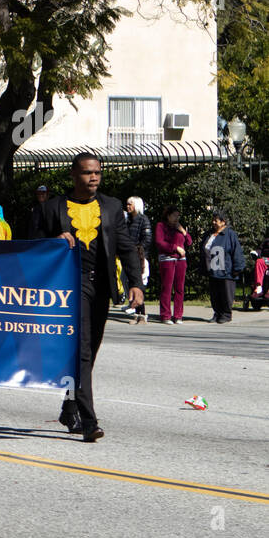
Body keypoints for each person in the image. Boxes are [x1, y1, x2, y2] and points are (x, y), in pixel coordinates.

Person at [34, 152, 142, 442]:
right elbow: (31, 245)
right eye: (87, 172)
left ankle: (69, 407)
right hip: (69, 286)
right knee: (81, 351)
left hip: (101, 285)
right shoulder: (52, 208)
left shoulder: (111, 206)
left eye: (97, 172)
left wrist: (136, 284)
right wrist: (53, 242)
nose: (93, 177)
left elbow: (126, 246)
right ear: (73, 175)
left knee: (90, 350)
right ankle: (89, 421)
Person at [202, 210, 245, 324]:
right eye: (213, 220)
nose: (213, 222)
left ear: (223, 222)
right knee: (215, 294)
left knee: (226, 294)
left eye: (216, 220)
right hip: (213, 270)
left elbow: (237, 251)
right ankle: (217, 313)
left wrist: (237, 268)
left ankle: (226, 314)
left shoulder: (230, 234)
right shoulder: (209, 234)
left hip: (226, 271)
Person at [154, 206, 191, 324]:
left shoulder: (179, 227)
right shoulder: (161, 226)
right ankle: (165, 315)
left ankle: (178, 315)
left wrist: (183, 231)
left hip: (181, 260)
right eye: (174, 215)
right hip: (167, 260)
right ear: (168, 216)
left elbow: (189, 242)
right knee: (167, 288)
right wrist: (175, 248)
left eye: (178, 216)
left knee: (180, 289)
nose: (176, 218)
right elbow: (160, 242)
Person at [122, 196, 151, 323]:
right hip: (128, 256)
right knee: (126, 280)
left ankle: (141, 314)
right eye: (127, 204)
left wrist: (137, 250)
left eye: (130, 204)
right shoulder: (127, 220)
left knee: (138, 282)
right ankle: (135, 309)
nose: (128, 206)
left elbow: (147, 239)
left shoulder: (143, 219)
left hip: (139, 257)